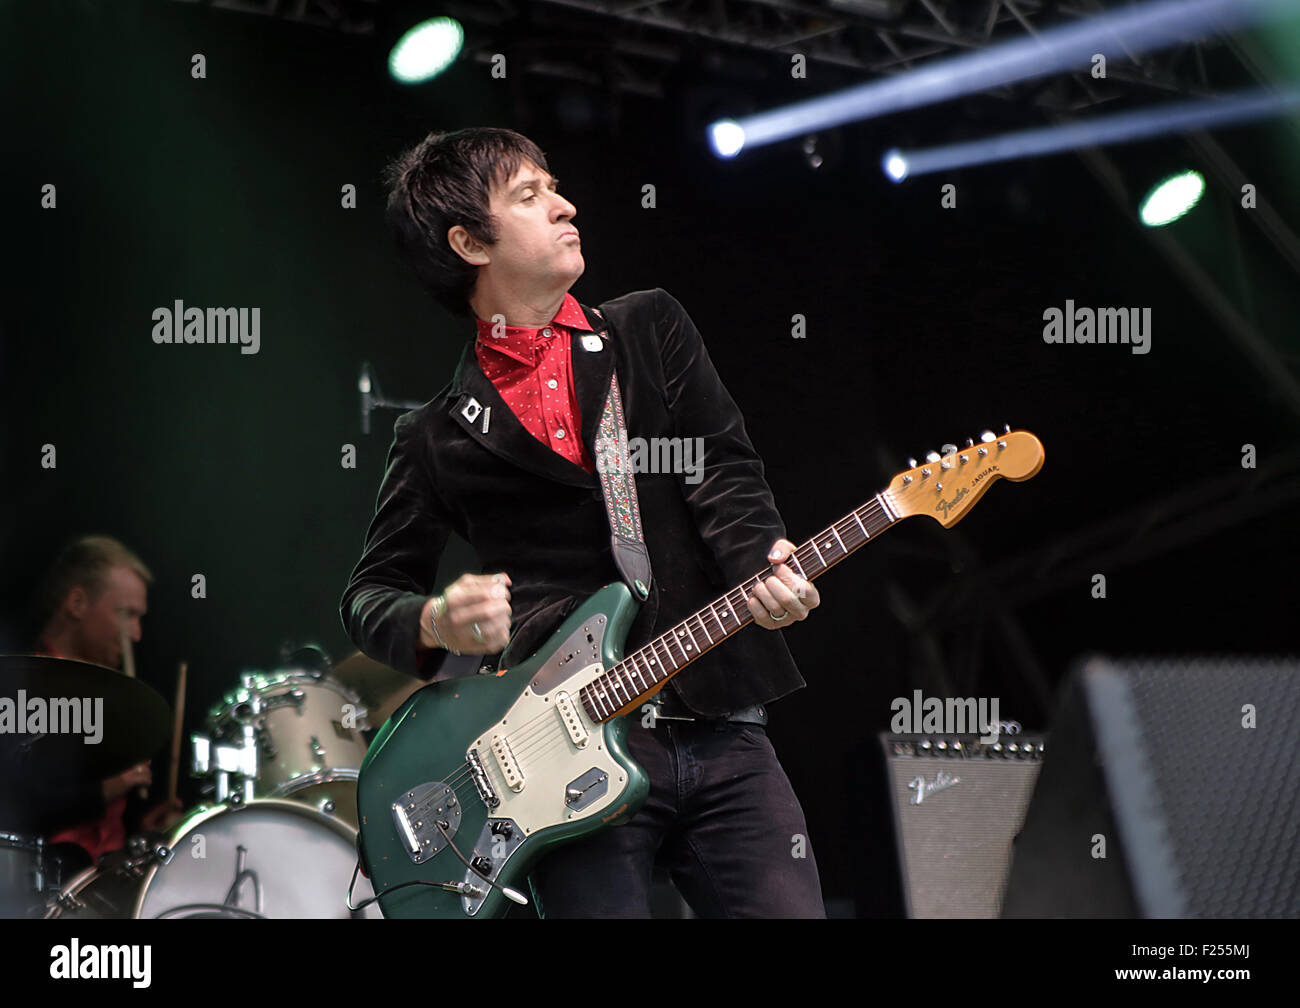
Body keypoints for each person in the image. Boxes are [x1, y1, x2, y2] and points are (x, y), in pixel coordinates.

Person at [341, 127, 826, 917]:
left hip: (719, 720)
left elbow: (723, 472)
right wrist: (434, 619)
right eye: (529, 196)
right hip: (557, 762)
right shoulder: (432, 435)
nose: (565, 205)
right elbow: (368, 594)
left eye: (554, 185)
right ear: (468, 242)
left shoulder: (649, 328)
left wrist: (762, 564)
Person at [31, 535, 182, 861]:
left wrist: (147, 832)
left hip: (103, 892)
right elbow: (15, 808)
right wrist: (106, 790)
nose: (137, 634)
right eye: (127, 614)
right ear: (77, 604)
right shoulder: (22, 690)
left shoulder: (109, 701)